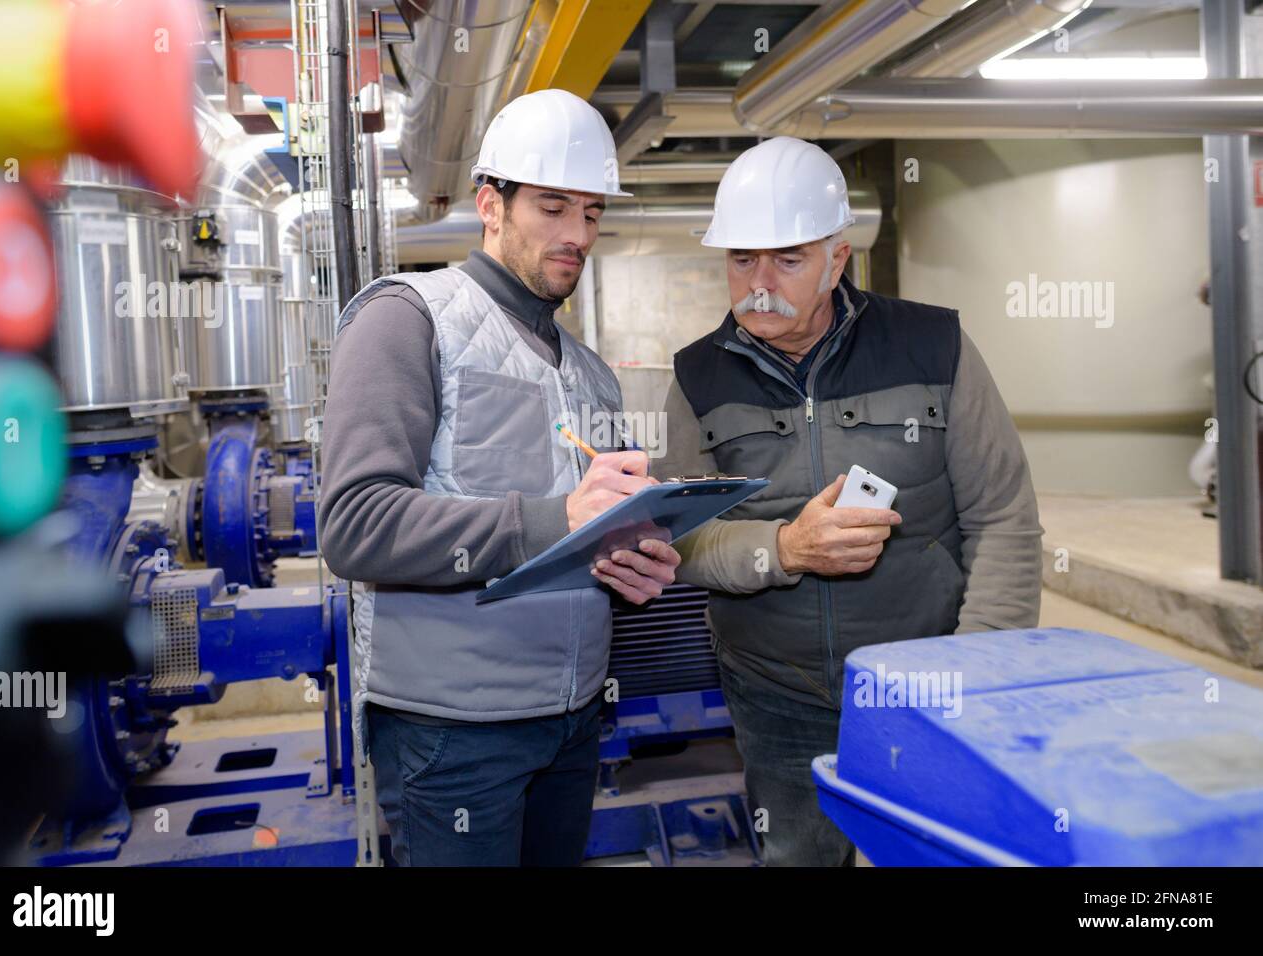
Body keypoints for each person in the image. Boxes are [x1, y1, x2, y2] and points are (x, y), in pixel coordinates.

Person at [652, 136, 1044, 866]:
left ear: (838, 260)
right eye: (742, 259)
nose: (760, 283)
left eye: (788, 259)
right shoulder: (697, 379)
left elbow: (1004, 518)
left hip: (929, 683)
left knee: (941, 856)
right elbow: (680, 542)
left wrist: (977, 667)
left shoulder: (933, 346)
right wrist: (785, 549)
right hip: (779, 695)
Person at [318, 88, 681, 866]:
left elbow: (586, 526)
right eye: (553, 207)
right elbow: (354, 524)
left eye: (591, 213)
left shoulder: (589, 372)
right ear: (491, 204)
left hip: (574, 717)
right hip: (453, 734)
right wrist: (559, 521)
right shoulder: (409, 318)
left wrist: (632, 556)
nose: (577, 234)